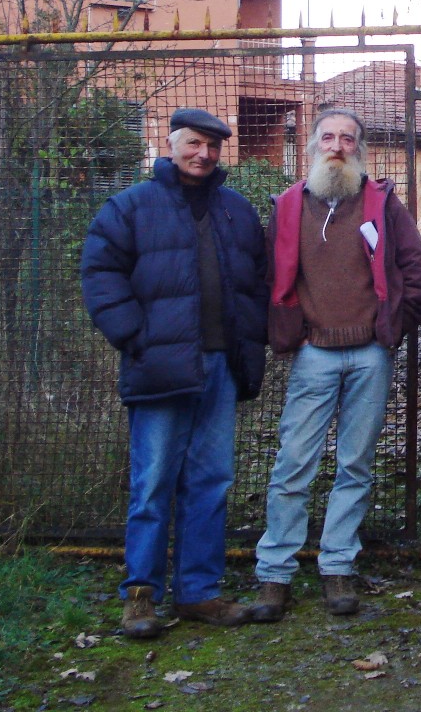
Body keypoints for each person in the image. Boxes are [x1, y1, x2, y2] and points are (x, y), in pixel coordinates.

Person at [81, 108, 270, 638]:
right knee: (152, 484)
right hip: (159, 367)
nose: (203, 155)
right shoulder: (130, 207)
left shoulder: (236, 210)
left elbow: (257, 280)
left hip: (221, 367)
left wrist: (250, 337)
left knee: (211, 482)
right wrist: (135, 337)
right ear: (170, 144)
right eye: (193, 143)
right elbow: (99, 272)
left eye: (212, 146)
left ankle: (198, 593)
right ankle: (140, 596)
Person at [251, 109, 421, 621]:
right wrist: (293, 330)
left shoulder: (383, 203)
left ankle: (337, 566)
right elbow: (268, 276)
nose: (337, 146)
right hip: (314, 353)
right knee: (293, 464)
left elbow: (416, 270)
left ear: (360, 149)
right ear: (312, 145)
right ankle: (275, 573)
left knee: (355, 465)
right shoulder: (288, 205)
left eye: (347, 139)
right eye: (328, 137)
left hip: (371, 354)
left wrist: (391, 328)